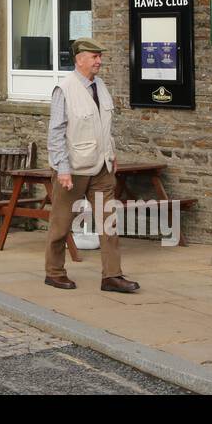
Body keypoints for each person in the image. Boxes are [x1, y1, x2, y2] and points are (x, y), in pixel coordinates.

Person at [43, 38, 139, 294]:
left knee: (109, 224)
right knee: (61, 224)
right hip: (72, 170)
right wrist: (62, 168)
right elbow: (56, 133)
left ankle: (112, 276)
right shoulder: (64, 89)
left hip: (102, 168)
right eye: (94, 56)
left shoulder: (101, 86)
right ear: (79, 59)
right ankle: (54, 272)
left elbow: (103, 126)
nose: (99, 61)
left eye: (99, 56)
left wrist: (112, 152)